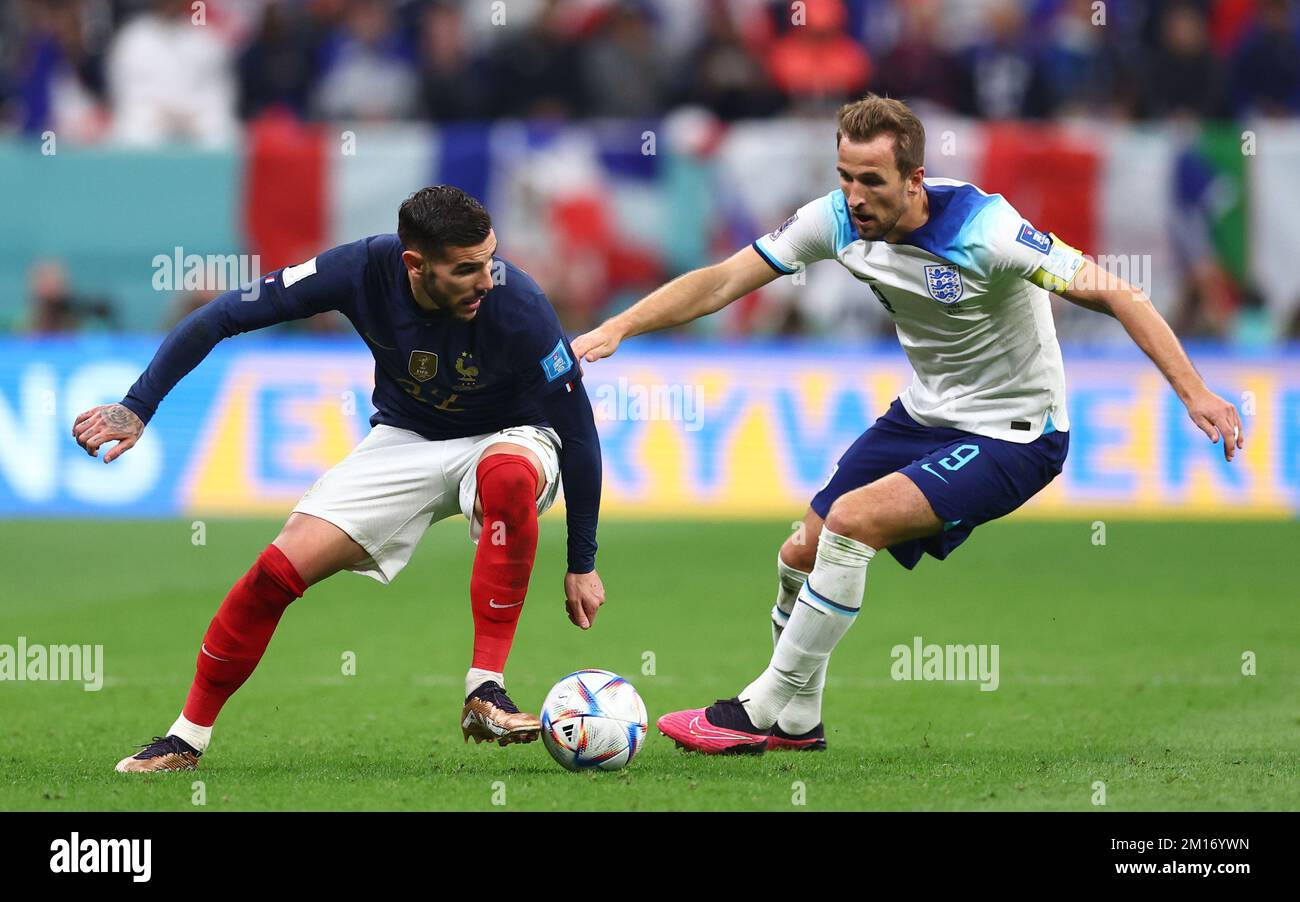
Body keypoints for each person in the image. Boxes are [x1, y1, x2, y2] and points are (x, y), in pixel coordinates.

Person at [572, 94, 1244, 754]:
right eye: (845, 177)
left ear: (914, 179)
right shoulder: (834, 220)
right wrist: (620, 326)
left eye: (871, 180)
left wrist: (1196, 393)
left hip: (1014, 433)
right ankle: (800, 723)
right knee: (799, 555)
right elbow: (723, 280)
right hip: (924, 414)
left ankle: (759, 707)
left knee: (852, 523)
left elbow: (1117, 291)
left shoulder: (987, 230)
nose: (855, 196)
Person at [73, 186, 605, 772]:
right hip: (406, 438)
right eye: (466, 269)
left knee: (505, 473)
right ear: (415, 265)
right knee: (274, 574)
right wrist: (138, 405)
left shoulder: (520, 303)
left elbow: (578, 433)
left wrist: (581, 561)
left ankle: (485, 688)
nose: (487, 280)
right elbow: (224, 315)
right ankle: (184, 739)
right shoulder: (356, 269)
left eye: (490, 260)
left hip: (513, 433)